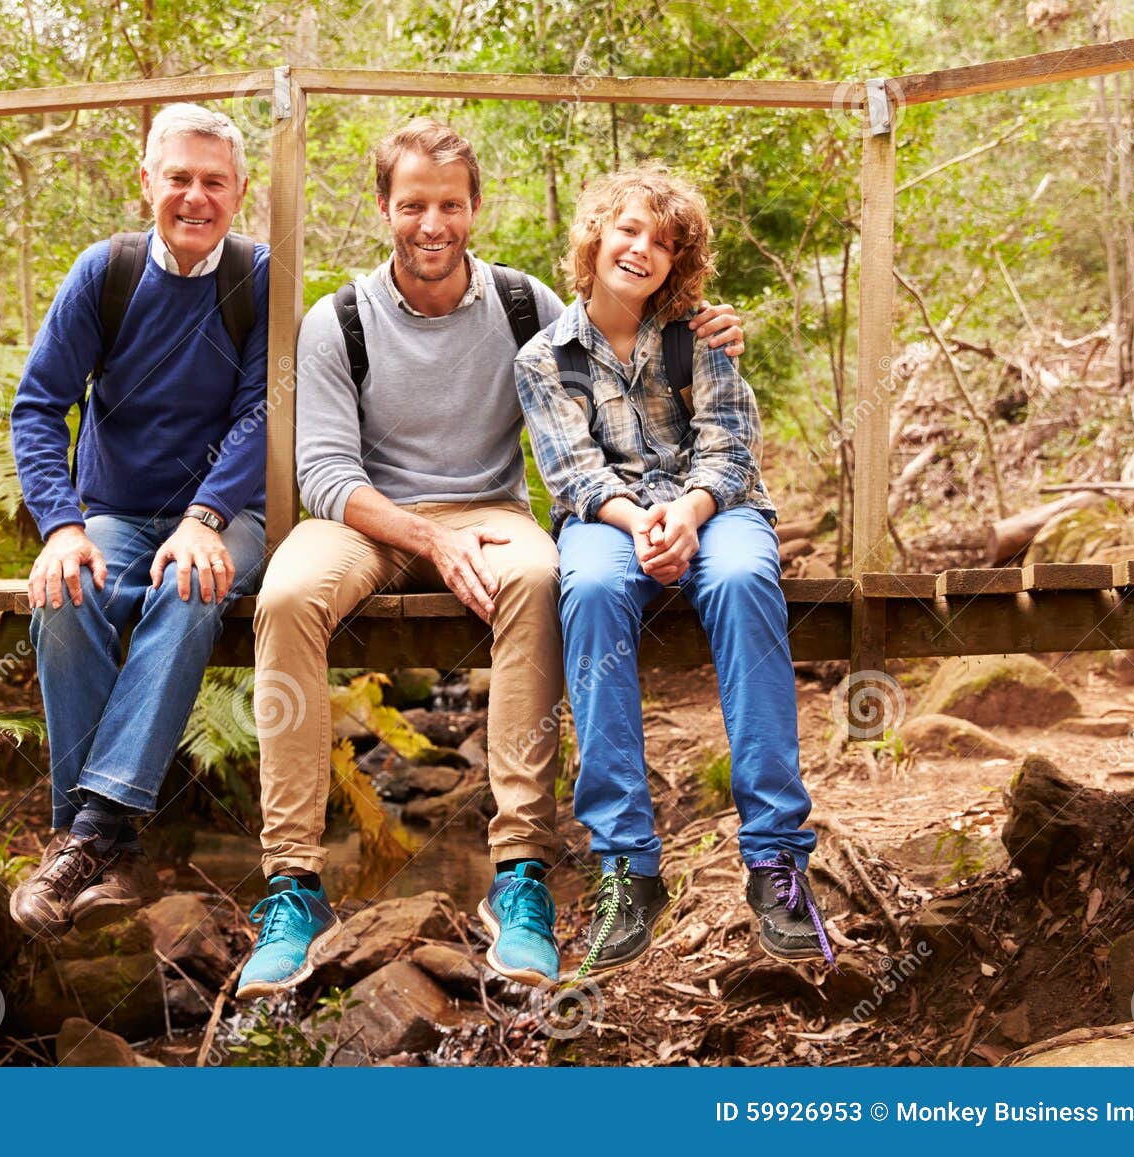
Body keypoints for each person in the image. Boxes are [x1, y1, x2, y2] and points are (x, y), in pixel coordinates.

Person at [234, 122, 747, 997]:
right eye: (412, 205)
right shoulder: (339, 320)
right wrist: (426, 536)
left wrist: (698, 325)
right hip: (368, 516)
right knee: (283, 596)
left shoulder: (524, 305)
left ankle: (519, 877)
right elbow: (323, 472)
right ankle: (291, 887)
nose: (430, 224)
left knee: (543, 578)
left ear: (474, 208)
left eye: (448, 205)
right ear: (384, 208)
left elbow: (617, 331)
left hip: (492, 508)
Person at [514, 165, 832, 978]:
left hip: (715, 510)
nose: (641, 249)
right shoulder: (546, 358)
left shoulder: (703, 335)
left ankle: (776, 859)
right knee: (582, 587)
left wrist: (686, 516)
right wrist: (640, 524)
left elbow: (729, 444)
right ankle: (628, 864)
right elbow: (574, 474)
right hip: (607, 521)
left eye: (662, 241)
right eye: (628, 230)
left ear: (678, 260)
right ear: (596, 238)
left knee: (741, 580)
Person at [7, 104, 269, 937]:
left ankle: (87, 837)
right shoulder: (106, 272)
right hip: (115, 510)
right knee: (65, 590)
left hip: (228, 511)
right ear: (147, 181)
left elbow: (267, 412)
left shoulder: (260, 277)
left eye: (214, 182)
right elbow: (39, 405)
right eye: (179, 178)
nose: (195, 197)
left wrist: (205, 515)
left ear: (240, 192)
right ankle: (111, 844)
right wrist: (59, 524)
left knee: (195, 583)